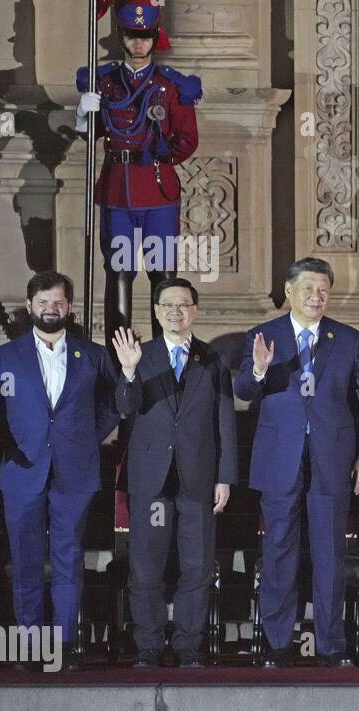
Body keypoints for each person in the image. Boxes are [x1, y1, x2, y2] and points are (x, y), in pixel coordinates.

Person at [0, 272, 120, 672]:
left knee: (69, 558)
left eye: (59, 302)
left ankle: (63, 646)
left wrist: (86, 436)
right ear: (30, 306)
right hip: (22, 470)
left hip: (74, 471)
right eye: (44, 302)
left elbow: (115, 403)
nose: (52, 309)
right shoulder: (7, 356)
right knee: (26, 561)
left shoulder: (92, 356)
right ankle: (32, 646)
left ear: (70, 307)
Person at [234, 258, 359, 669]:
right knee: (279, 550)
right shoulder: (264, 335)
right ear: (289, 290)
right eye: (308, 289)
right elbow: (244, 390)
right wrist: (259, 369)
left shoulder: (347, 338)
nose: (317, 296)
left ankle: (332, 645)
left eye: (323, 290)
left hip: (332, 459)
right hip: (280, 460)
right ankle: (279, 644)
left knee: (330, 552)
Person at [112, 278, 236, 669]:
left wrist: (225, 477)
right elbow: (125, 409)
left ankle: (187, 646)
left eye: (183, 305)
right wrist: (129, 372)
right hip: (152, 480)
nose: (175, 312)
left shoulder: (212, 359)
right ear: (156, 311)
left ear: (194, 311)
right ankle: (148, 644)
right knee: (146, 566)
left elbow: (225, 421)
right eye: (167, 306)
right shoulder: (140, 355)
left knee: (197, 567)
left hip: (197, 479)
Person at [75, 2, 201, 344]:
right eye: (133, 36)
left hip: (157, 191)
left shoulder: (172, 86)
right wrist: (82, 115)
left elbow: (189, 138)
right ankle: (119, 358)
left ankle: (164, 352)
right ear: (122, 37)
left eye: (145, 37)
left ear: (154, 37)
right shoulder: (104, 82)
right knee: (119, 272)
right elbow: (91, 134)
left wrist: (168, 153)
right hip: (118, 190)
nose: (139, 44)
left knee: (163, 274)